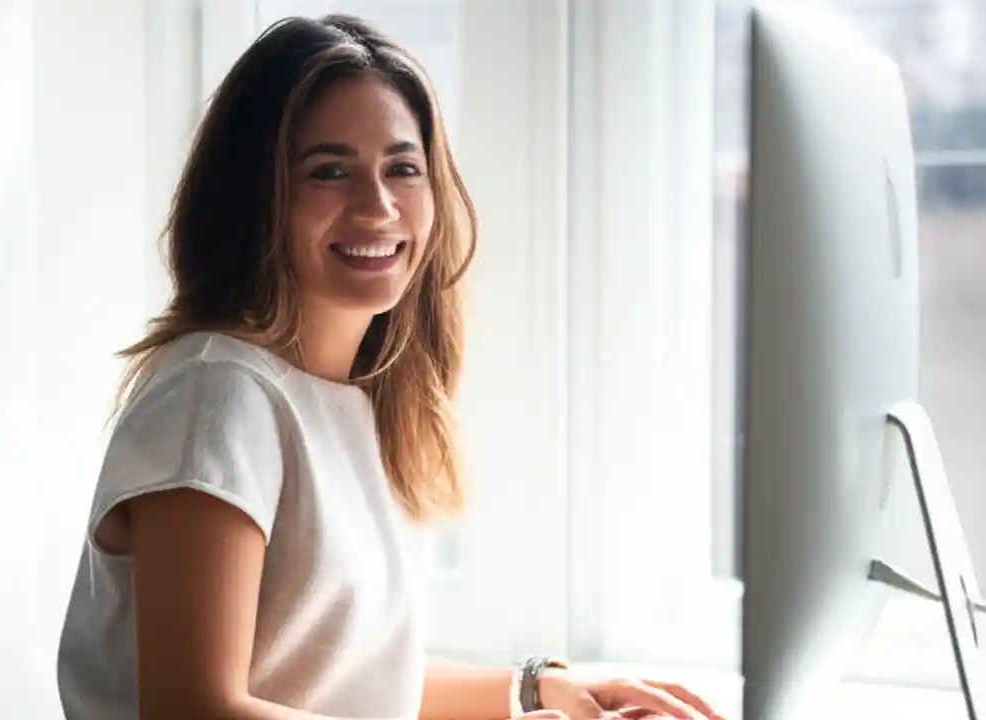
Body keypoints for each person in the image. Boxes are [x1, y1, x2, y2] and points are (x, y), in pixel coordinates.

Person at [57, 14, 725, 720]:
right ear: (255, 198)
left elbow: (341, 680)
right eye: (329, 171)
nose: (377, 206)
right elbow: (193, 708)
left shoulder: (348, 397)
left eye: (403, 168)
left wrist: (533, 690)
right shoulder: (217, 395)